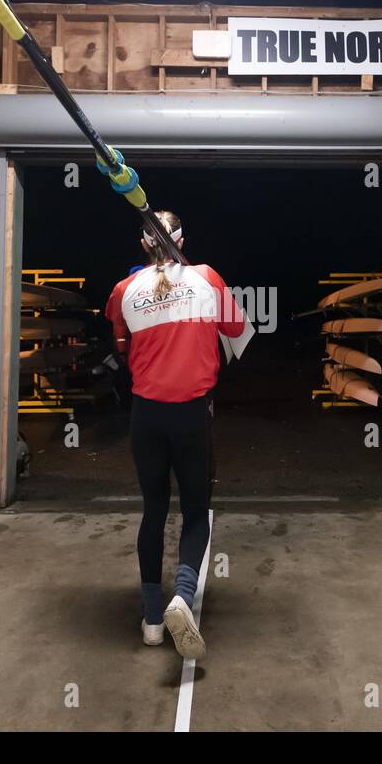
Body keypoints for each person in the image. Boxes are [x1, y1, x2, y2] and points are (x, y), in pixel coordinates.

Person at [105, 210, 247, 659]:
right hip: (191, 416)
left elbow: (121, 345)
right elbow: (238, 331)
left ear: (144, 244)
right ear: (181, 238)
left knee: (153, 511)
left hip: (146, 416)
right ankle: (182, 597)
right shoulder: (207, 278)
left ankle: (150, 620)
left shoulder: (123, 291)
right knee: (195, 511)